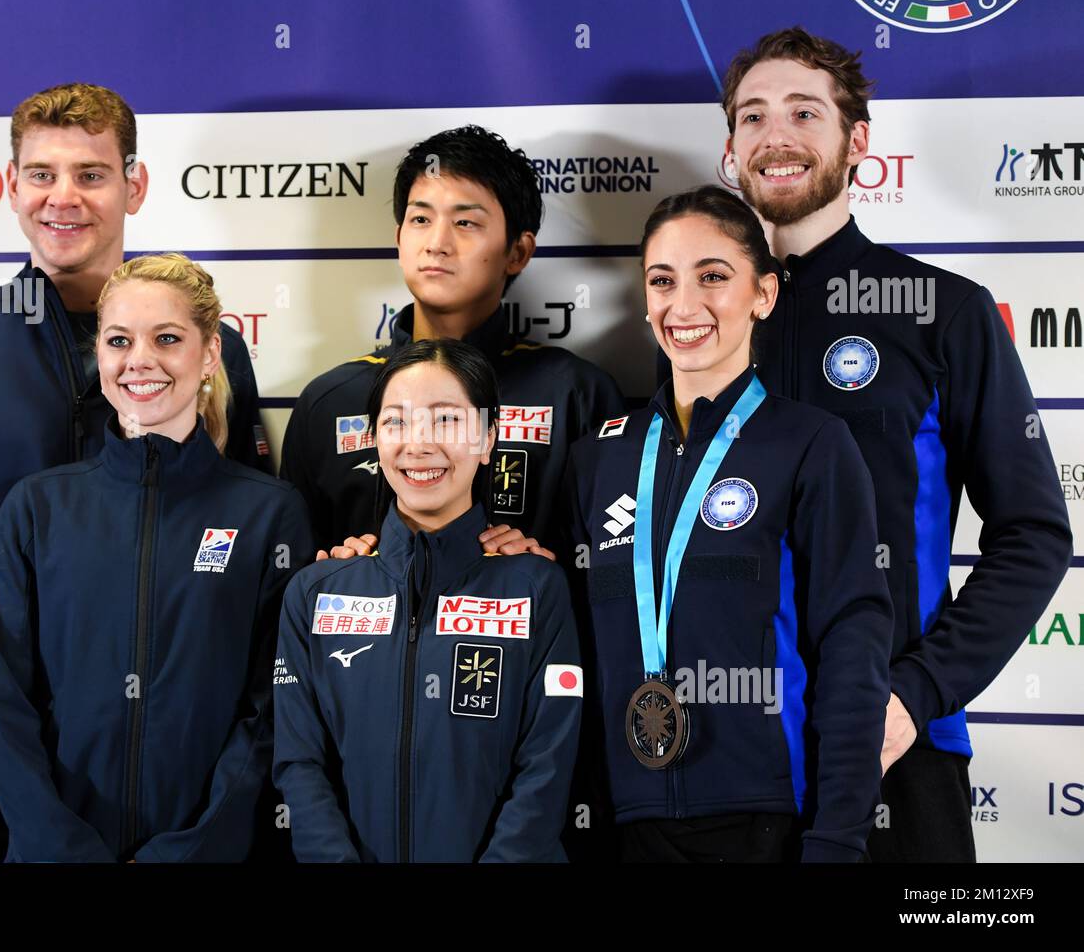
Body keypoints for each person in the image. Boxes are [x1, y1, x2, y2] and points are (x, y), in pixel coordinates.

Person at [0, 82, 270, 864]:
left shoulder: (210, 352)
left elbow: (246, 549)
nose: (62, 197)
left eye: (90, 174)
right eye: (40, 174)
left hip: (173, 749)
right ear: (9, 187)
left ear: (133, 185)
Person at [719, 28, 1072, 861]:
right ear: (729, 149)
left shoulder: (943, 311)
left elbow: (1034, 535)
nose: (778, 136)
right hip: (728, 760)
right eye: (754, 117)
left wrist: (913, 695)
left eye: (806, 112)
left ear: (858, 142)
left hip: (896, 753)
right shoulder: (704, 326)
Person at [566, 186, 893, 862]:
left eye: (713, 277)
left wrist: (837, 838)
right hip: (624, 820)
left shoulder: (811, 445)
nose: (683, 306)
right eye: (663, 281)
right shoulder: (599, 456)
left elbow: (851, 650)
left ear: (764, 294)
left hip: (767, 819)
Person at [0, 253, 312, 861]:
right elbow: (2, 700)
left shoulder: (270, 515)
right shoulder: (36, 508)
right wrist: (61, 848)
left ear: (209, 354)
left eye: (167, 339)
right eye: (119, 340)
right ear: (99, 355)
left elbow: (271, 707)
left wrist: (193, 850)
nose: (140, 361)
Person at [274, 339, 584, 862]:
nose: (418, 444)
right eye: (396, 422)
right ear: (373, 440)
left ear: (488, 438)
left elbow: (547, 765)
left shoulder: (537, 587)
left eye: (446, 421)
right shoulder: (315, 592)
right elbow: (300, 763)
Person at [280, 125, 623, 555]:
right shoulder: (329, 400)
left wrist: (542, 576)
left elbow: (613, 568)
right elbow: (295, 584)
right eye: (420, 219)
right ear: (399, 238)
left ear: (517, 252)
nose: (437, 244)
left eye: (465, 222)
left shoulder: (575, 394)